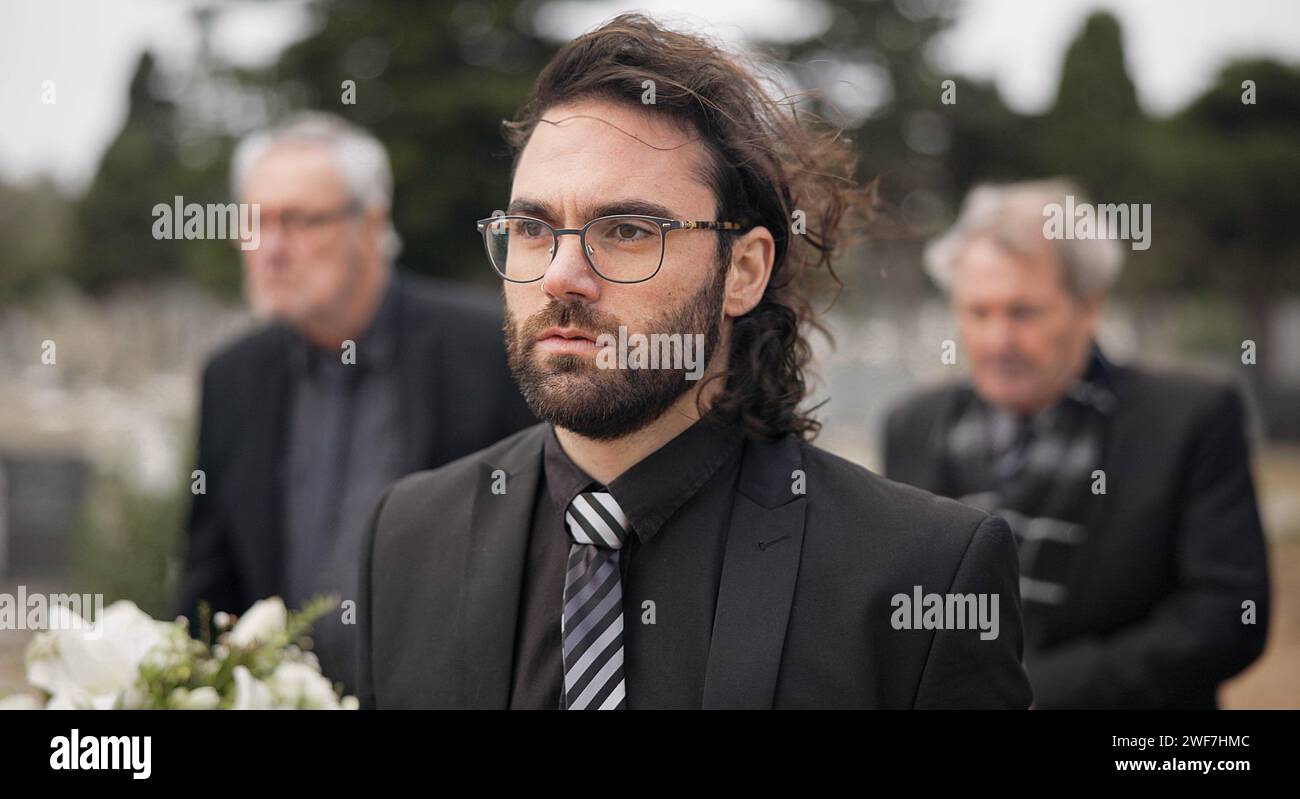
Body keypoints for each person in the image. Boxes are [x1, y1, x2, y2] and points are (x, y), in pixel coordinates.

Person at [356, 15, 1032, 709]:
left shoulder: (922, 571)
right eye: (532, 228)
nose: (561, 274)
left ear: (743, 270)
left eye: (625, 230)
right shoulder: (409, 537)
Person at [178, 112, 535, 694]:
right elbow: (206, 579)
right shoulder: (232, 376)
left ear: (372, 224)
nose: (269, 249)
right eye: (253, 222)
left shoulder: (488, 349)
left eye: (298, 221)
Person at [884, 179, 1270, 708]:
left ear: (1089, 306)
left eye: (1023, 312)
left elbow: (1228, 615)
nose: (998, 341)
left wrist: (1032, 692)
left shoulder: (1189, 419)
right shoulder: (911, 425)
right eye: (978, 312)